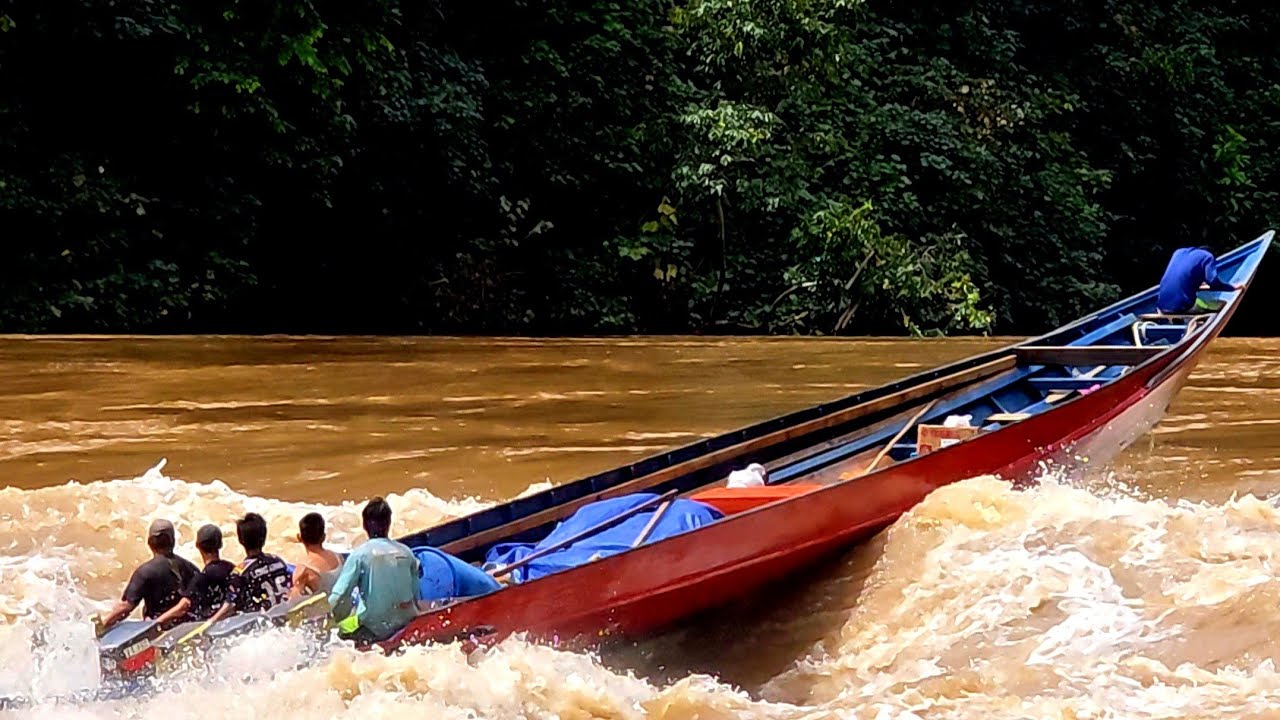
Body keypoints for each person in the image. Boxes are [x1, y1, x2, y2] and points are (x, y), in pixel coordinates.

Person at [328, 497, 422, 644]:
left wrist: (338, 620)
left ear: (364, 525)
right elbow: (416, 596)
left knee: (334, 635)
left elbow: (337, 598)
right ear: (389, 523)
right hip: (407, 624)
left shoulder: (359, 555)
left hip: (374, 630)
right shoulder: (407, 552)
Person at [98, 519, 199, 632]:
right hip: (188, 629)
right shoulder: (191, 569)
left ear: (150, 543)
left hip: (158, 633)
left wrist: (103, 625)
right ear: (173, 542)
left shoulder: (145, 572)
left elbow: (126, 608)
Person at [208, 512, 292, 622]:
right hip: (285, 617)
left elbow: (230, 606)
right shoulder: (278, 562)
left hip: (262, 626)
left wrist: (209, 623)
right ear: (264, 537)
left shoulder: (240, 573)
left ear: (241, 540)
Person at [153, 524, 234, 626]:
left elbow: (183, 607)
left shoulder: (201, 577)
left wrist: (156, 622)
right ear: (221, 545)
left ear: (198, 546)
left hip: (211, 625)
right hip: (229, 621)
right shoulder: (231, 568)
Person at [1156, 246, 1243, 314]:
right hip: (1182, 306)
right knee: (1221, 304)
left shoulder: (1178, 252)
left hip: (1161, 305)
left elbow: (1183, 279)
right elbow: (1213, 282)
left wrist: (1197, 285)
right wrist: (1232, 287)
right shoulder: (1208, 257)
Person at [288, 512, 344, 603]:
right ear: (324, 537)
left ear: (299, 537)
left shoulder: (304, 570)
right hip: (343, 609)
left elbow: (293, 600)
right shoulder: (338, 557)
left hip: (325, 614)